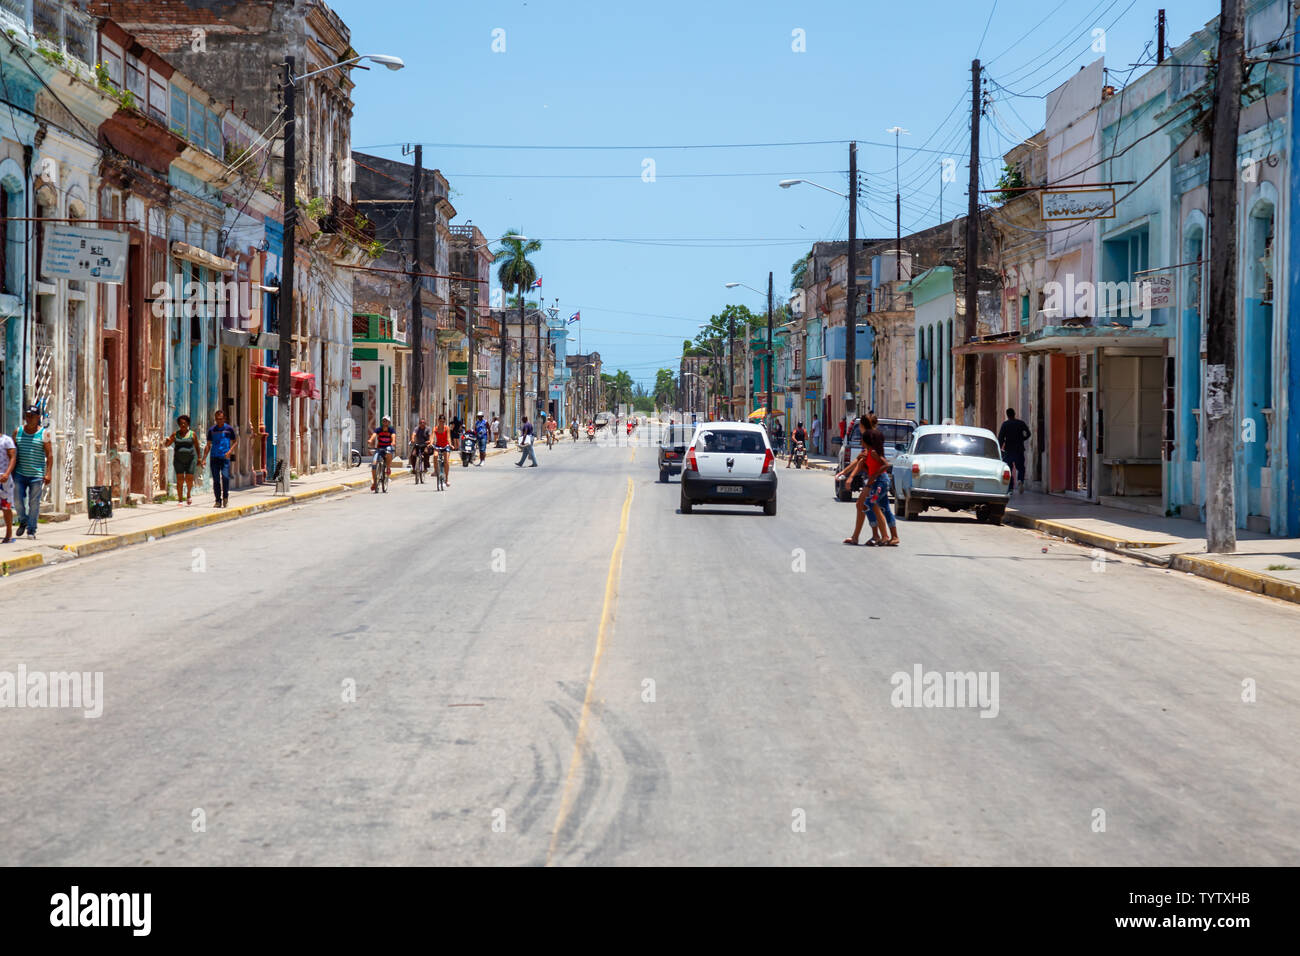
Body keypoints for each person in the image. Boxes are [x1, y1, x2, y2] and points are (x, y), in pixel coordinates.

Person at [11, 405, 52, 538]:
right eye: (27, 416)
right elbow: (12, 451)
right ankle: (23, 520)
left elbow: (49, 454)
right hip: (19, 473)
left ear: (38, 418)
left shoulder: (44, 434)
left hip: (36, 475)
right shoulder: (18, 431)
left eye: (32, 416)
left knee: (34, 503)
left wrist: (48, 473)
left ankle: (31, 529)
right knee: (17, 500)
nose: (29, 419)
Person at [162, 414, 201, 506]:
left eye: (185, 423)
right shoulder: (175, 434)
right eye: (181, 423)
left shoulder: (192, 434)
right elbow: (167, 445)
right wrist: (166, 441)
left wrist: (199, 457)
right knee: (180, 479)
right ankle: (180, 500)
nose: (183, 425)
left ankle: (188, 494)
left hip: (191, 460)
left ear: (188, 424)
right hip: (178, 460)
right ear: (179, 424)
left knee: (189, 478)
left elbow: (197, 446)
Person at [998, 408, 1031, 494]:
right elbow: (1028, 433)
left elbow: (1001, 438)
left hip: (1008, 450)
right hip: (1019, 449)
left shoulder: (1005, 424)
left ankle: (1010, 488)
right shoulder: (1020, 423)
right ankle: (1020, 480)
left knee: (1008, 469)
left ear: (1007, 415)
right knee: (1021, 467)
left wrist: (999, 449)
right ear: (1014, 414)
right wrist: (1022, 439)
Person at [367, 415, 396, 491]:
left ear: (389, 422)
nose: (385, 422)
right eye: (383, 421)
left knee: (389, 451)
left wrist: (393, 442)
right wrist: (370, 440)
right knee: (374, 464)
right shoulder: (378, 429)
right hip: (380, 448)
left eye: (386, 421)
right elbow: (374, 435)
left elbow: (393, 437)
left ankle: (388, 468)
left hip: (387, 447)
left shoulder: (391, 430)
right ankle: (374, 482)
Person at [0, 428, 15, 544]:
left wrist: (7, 473)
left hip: (4, 478)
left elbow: (12, 458)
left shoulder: (6, 440)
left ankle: (9, 533)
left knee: (6, 507)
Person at [432, 414, 453, 486]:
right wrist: (431, 443)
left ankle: (446, 479)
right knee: (435, 456)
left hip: (445, 446)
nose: (442, 423)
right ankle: (435, 471)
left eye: (443, 421)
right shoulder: (435, 428)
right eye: (440, 421)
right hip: (438, 445)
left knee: (446, 460)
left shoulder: (447, 428)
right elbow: (432, 437)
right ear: (438, 421)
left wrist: (450, 444)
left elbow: (448, 437)